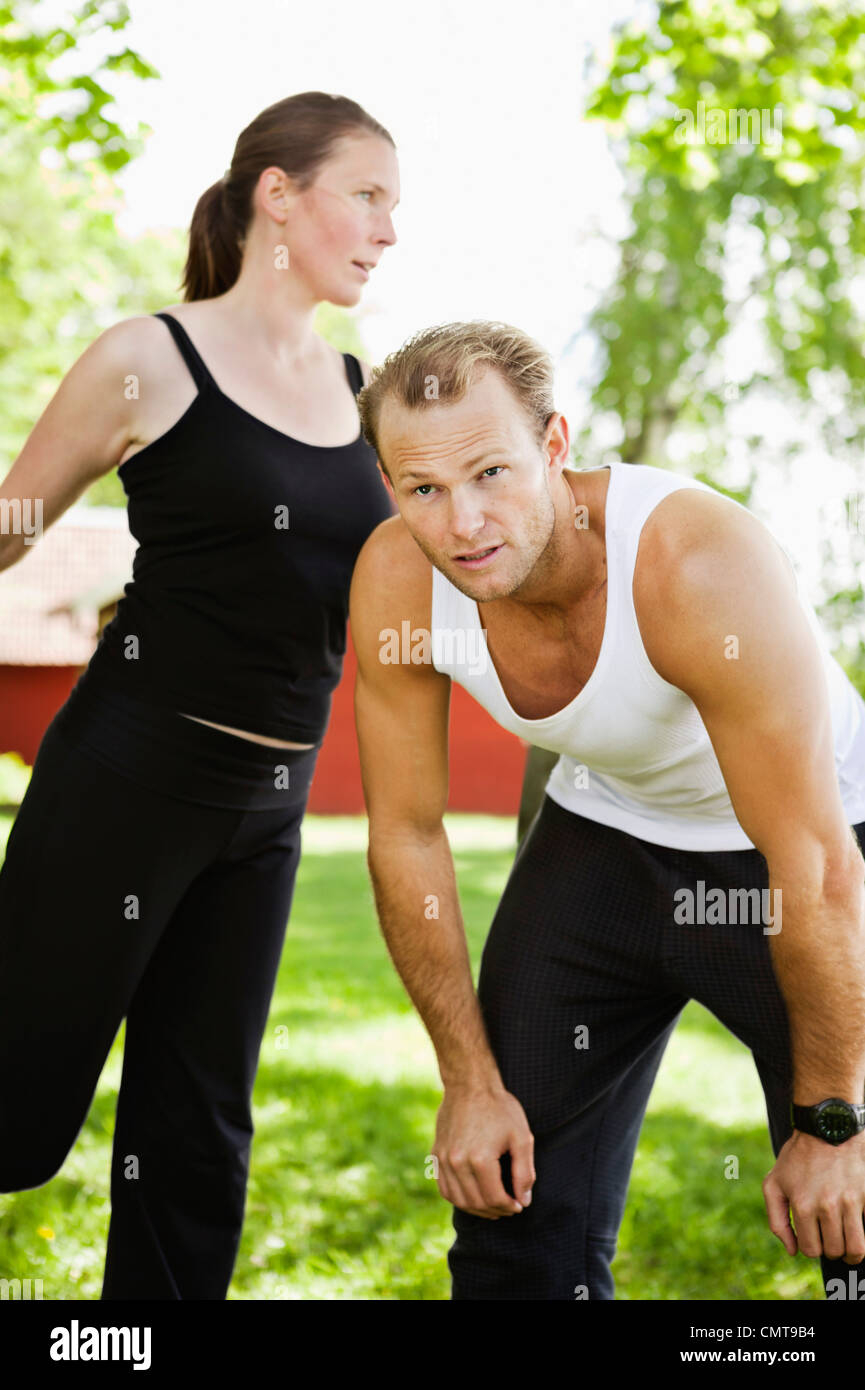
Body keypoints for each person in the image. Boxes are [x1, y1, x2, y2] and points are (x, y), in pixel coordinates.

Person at [348, 319, 865, 1301]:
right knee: (507, 1207)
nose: (462, 523)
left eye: (491, 472)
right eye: (423, 488)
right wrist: (467, 1080)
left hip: (807, 847)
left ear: (554, 445)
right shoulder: (397, 579)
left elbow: (815, 858)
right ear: (388, 484)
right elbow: (405, 832)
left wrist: (835, 1122)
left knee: (851, 1220)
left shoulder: (692, 562)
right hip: (605, 832)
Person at [0, 90, 399, 1300]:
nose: (388, 229)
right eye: (368, 194)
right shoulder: (147, 357)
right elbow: (13, 525)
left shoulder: (361, 390)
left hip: (267, 806)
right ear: (279, 194)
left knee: (197, 1130)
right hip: (124, 779)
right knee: (15, 1094)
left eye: (398, 206)